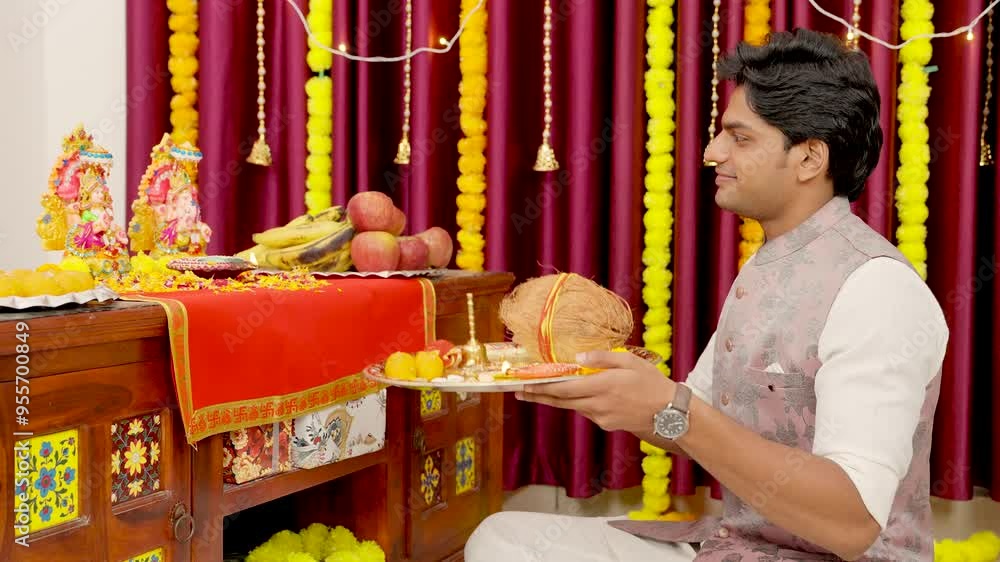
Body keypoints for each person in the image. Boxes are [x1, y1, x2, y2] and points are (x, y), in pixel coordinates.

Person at [464, 28, 948, 562]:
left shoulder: (876, 290)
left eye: (740, 138)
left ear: (810, 158)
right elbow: (686, 421)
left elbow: (852, 521)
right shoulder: (768, 268)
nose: (713, 151)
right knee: (502, 537)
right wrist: (606, 390)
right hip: (737, 547)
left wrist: (674, 407)